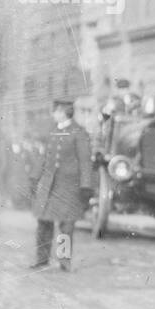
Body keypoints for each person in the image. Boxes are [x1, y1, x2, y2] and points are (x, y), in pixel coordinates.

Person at [28, 98, 93, 272]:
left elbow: (85, 162)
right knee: (43, 222)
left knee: (66, 225)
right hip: (49, 186)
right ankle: (41, 259)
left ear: (63, 112)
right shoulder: (53, 132)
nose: (53, 114)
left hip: (69, 186)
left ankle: (64, 261)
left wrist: (86, 186)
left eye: (55, 111)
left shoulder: (79, 133)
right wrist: (34, 177)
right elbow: (44, 158)